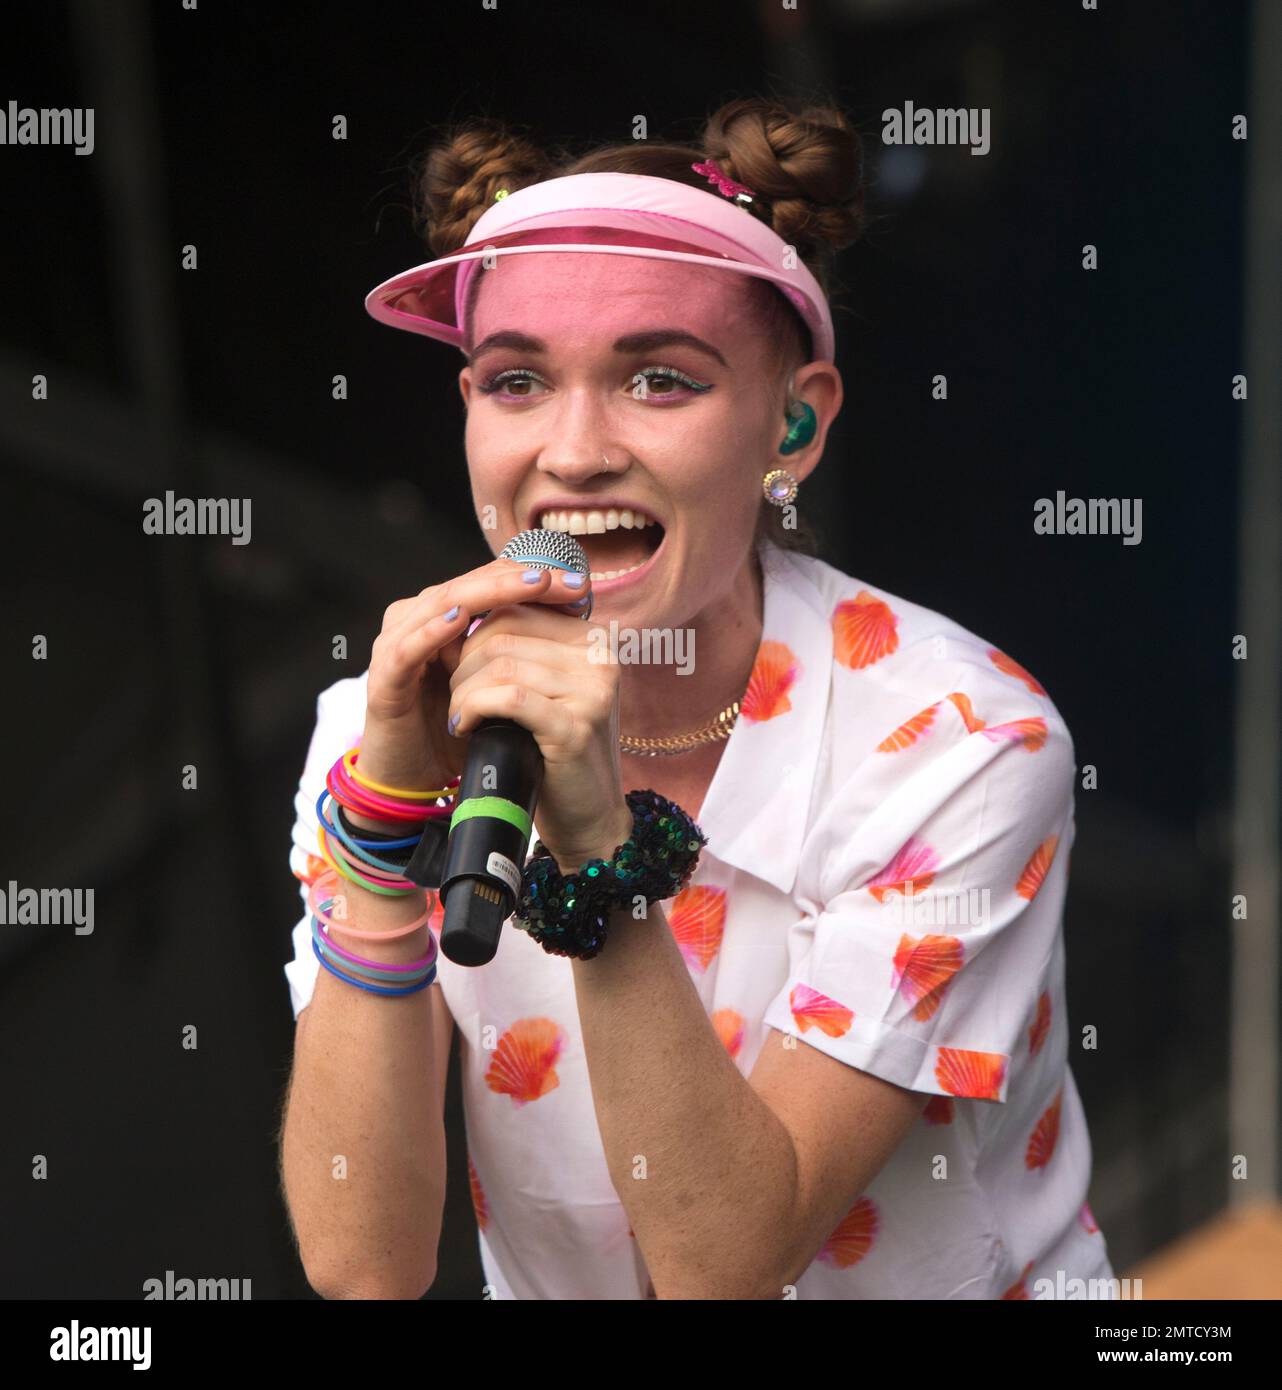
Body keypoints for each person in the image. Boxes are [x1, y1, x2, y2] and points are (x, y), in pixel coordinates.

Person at [277, 97, 1116, 1300]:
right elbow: (364, 1267)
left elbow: (723, 1266)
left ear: (793, 422)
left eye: (657, 380)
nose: (571, 453)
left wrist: (594, 854)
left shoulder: (963, 743)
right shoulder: (379, 730)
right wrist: (378, 829)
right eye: (516, 380)